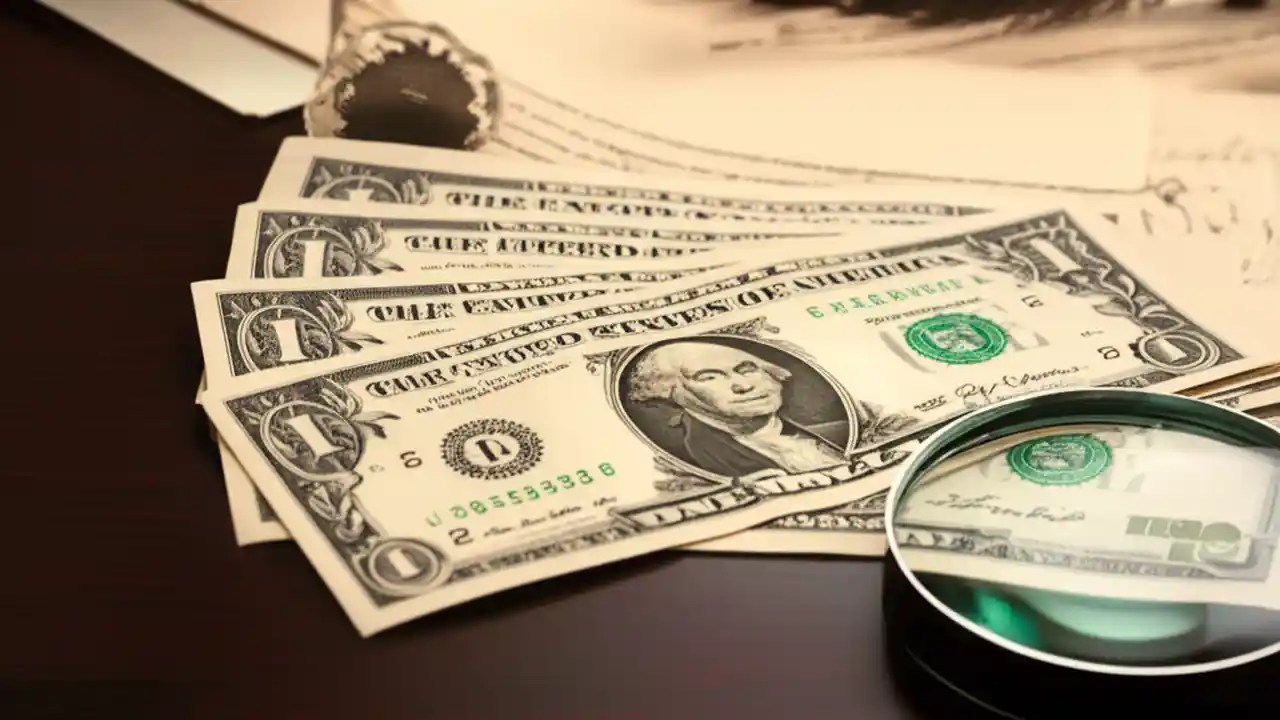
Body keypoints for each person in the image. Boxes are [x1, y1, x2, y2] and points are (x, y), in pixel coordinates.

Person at [628, 340, 849, 477]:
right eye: (710, 377)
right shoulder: (690, 459)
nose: (743, 386)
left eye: (747, 370)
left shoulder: (840, 431)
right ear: (669, 392)